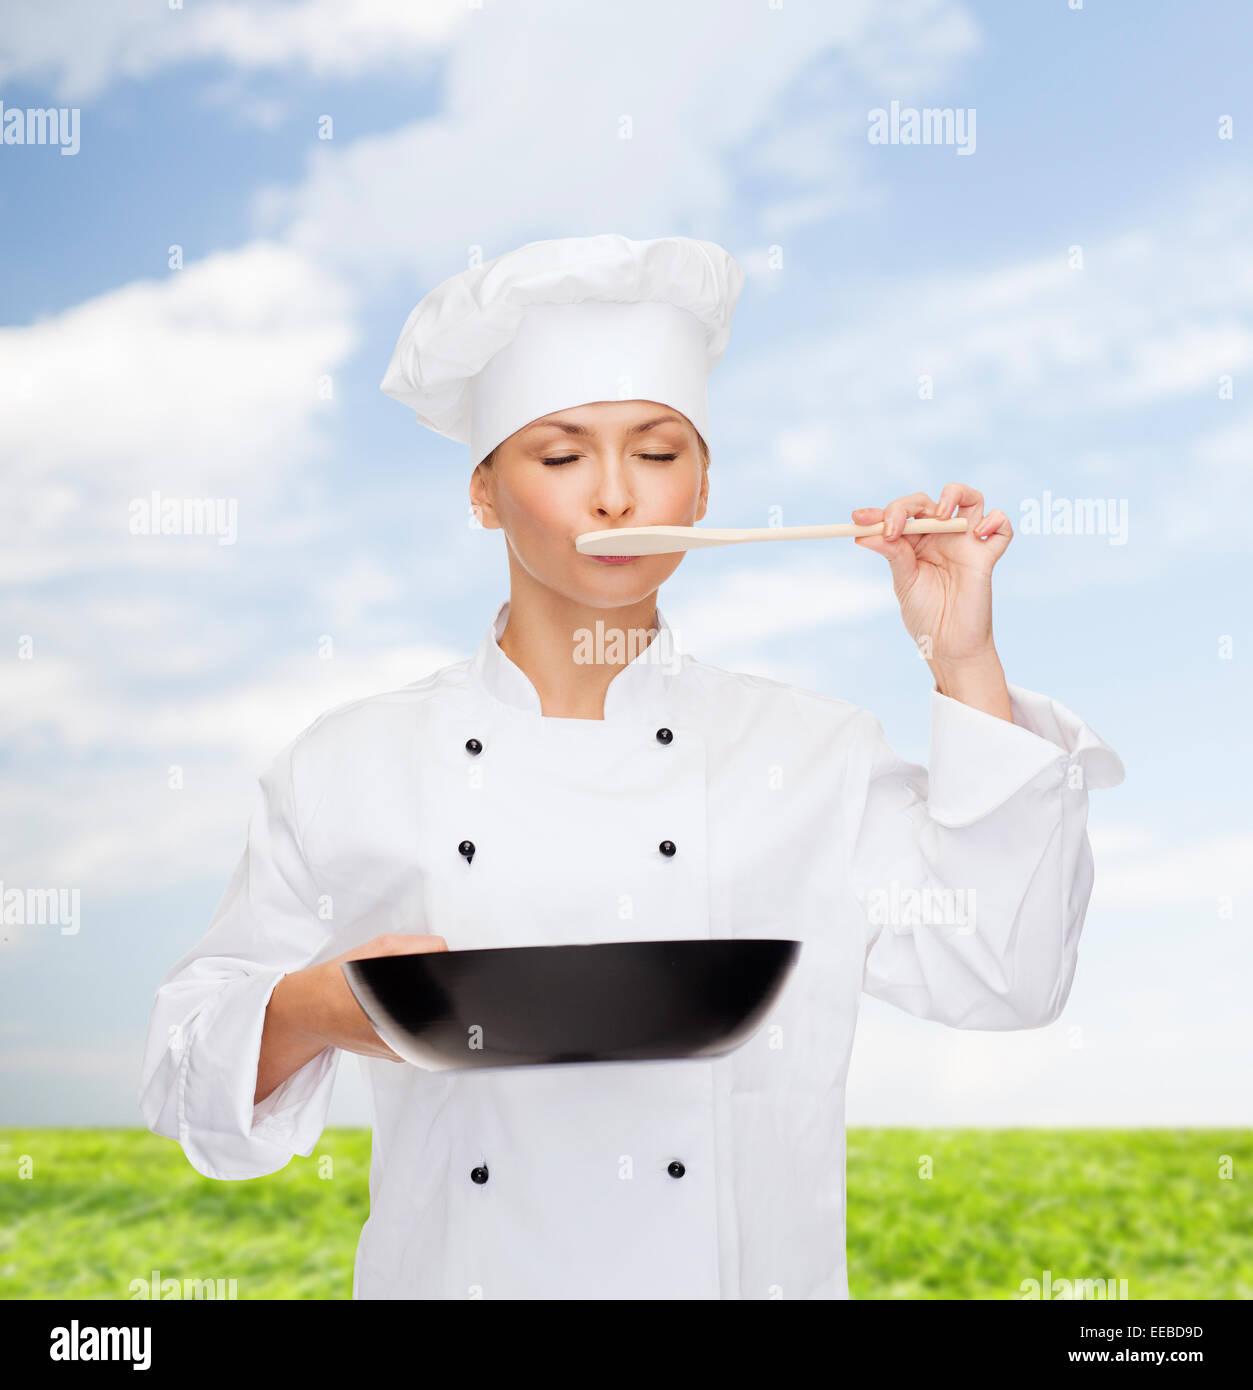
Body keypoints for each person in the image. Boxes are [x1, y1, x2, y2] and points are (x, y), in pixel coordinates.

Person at [139, 233, 1125, 1299]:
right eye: (559, 457)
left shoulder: (809, 753)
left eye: (656, 454)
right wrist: (319, 1010)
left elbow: (1009, 976)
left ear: (702, 487)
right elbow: (189, 1087)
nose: (614, 497)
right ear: (483, 493)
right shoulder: (351, 764)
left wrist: (958, 654)